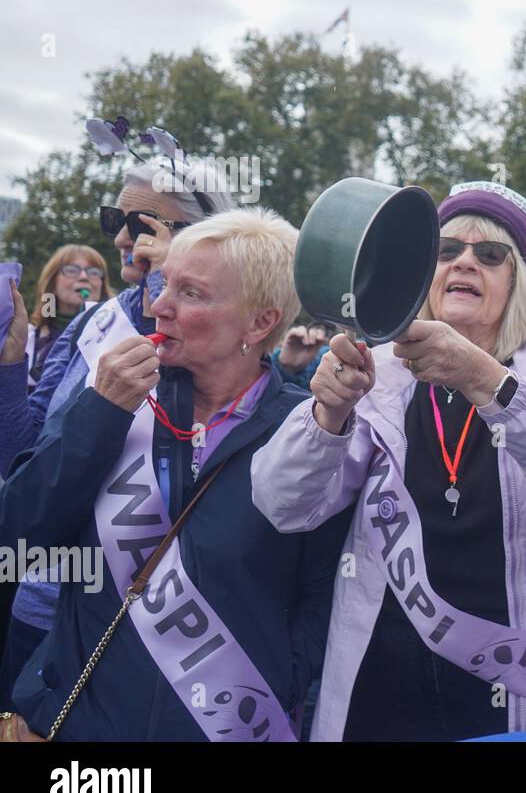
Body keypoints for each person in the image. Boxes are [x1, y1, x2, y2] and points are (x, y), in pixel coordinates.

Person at [251, 181, 526, 740]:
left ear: (516, 282)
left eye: (489, 254)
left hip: (511, 682)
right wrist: (326, 415)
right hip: (383, 679)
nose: (465, 261)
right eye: (446, 251)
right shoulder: (377, 369)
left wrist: (482, 377)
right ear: (424, 270)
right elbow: (282, 505)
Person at [0, 208, 345, 740]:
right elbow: (19, 534)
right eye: (166, 286)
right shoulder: (118, 393)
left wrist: (285, 677)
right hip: (84, 730)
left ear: (260, 322)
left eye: (190, 293)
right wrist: (100, 414)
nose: (158, 306)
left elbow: (321, 589)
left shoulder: (307, 429)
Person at [0, 157, 236, 708]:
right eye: (116, 220)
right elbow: (24, 455)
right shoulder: (89, 322)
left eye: (146, 224)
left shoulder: (210, 335)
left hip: (145, 624)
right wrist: (11, 364)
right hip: (42, 598)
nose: (125, 237)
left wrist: (166, 287)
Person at [17, 245, 115, 389]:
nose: (84, 277)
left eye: (94, 272)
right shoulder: (25, 340)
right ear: (52, 283)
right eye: (71, 270)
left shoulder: (118, 337)